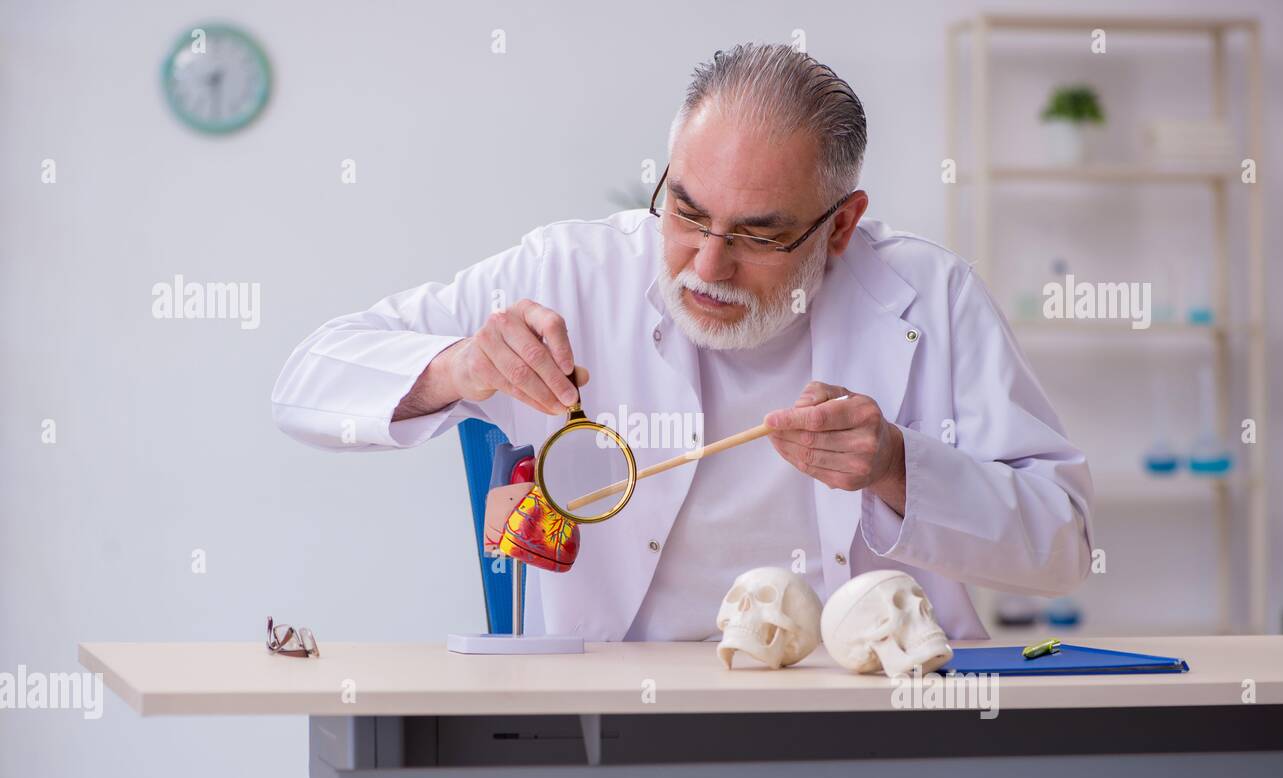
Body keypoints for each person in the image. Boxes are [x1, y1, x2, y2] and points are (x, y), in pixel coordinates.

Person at [272, 42, 1094, 643]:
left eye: (757, 235)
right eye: (688, 212)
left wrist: (896, 466)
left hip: (874, 720)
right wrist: (456, 366)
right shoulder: (570, 271)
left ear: (841, 225)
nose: (706, 265)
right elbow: (305, 384)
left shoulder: (935, 297)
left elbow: (1063, 545)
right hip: (626, 719)